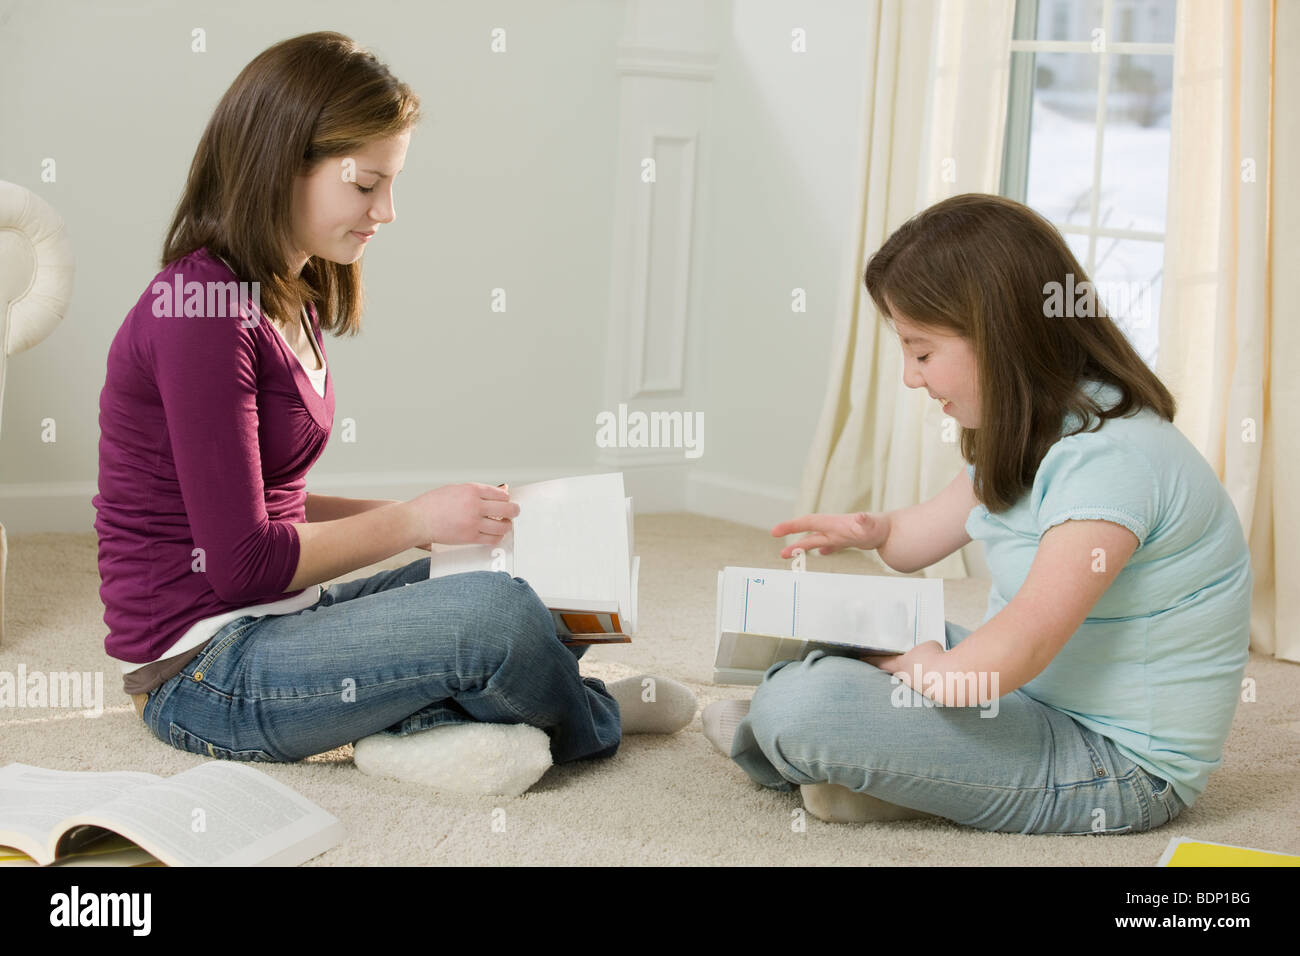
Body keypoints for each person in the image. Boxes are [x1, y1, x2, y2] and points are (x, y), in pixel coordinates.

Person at [93, 32, 694, 790]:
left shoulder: (285, 289)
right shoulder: (201, 312)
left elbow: (269, 500)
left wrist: (452, 521)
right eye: (367, 184)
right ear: (284, 163)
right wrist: (413, 522)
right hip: (204, 672)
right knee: (494, 619)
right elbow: (242, 563)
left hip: (287, 619)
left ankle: (426, 728)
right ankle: (587, 712)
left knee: (522, 567)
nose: (387, 211)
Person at [702, 193, 1252, 834]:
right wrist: (873, 530)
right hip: (1025, 691)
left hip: (1117, 766)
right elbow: (917, 541)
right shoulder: (1032, 425)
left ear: (1001, 337)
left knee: (801, 704)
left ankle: (835, 757)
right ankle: (883, 772)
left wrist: (932, 673)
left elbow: (1029, 637)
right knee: (849, 631)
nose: (910, 376)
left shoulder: (1110, 460)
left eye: (922, 351)